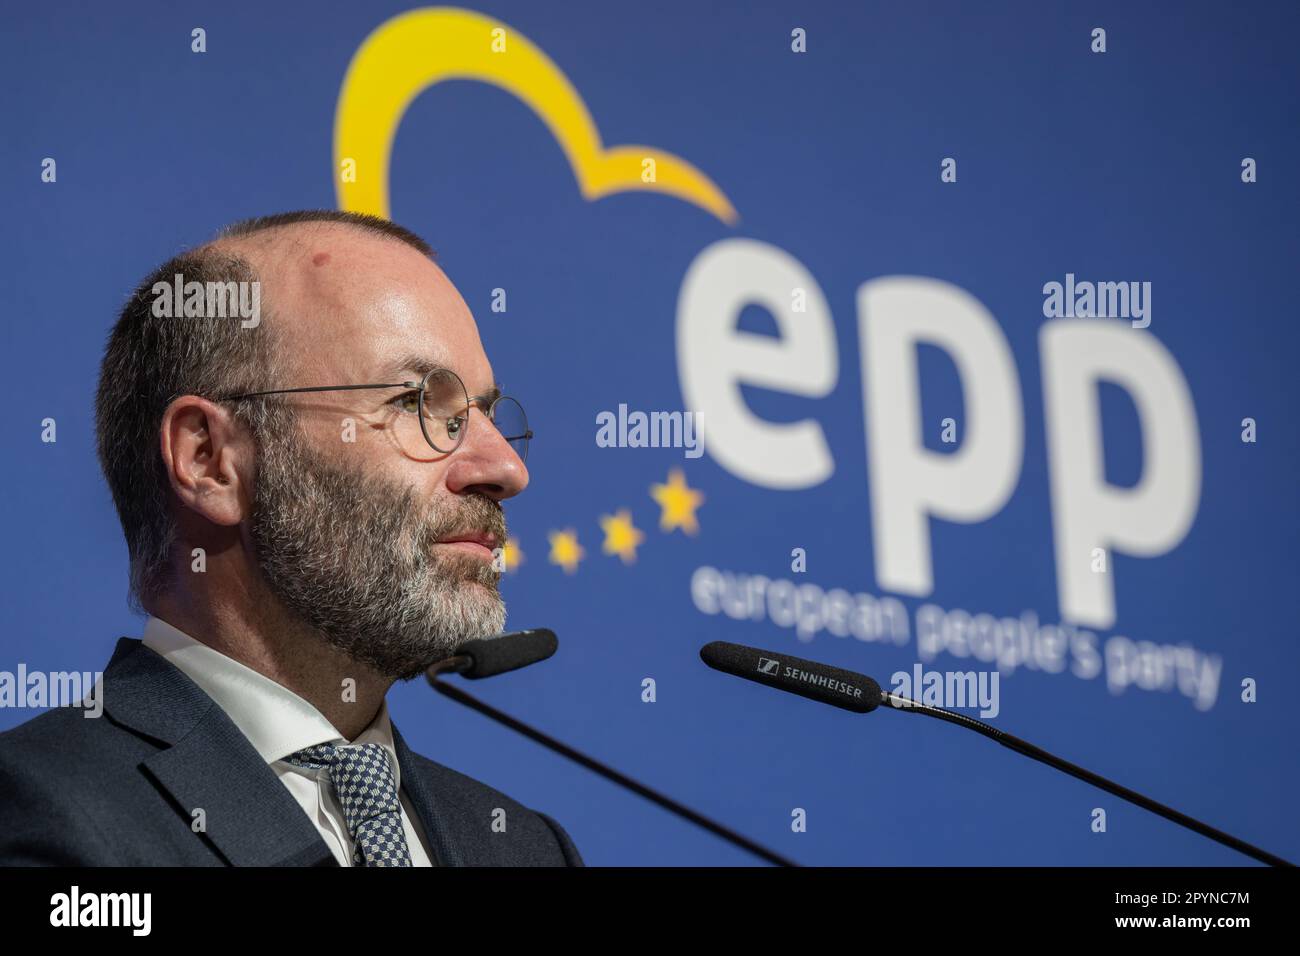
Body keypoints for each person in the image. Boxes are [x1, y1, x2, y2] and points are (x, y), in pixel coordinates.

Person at [0, 210, 582, 866]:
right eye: (418, 405)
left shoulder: (529, 848)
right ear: (209, 460)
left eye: (486, 414)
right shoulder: (43, 815)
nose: (506, 467)